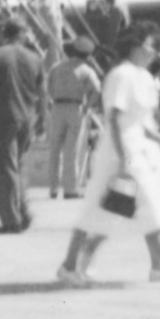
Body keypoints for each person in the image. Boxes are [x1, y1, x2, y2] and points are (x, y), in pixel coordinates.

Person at [57, 21, 160, 288]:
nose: (154, 50)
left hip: (140, 149)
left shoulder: (143, 76)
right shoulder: (121, 75)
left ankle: (69, 265)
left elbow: (141, 121)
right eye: (150, 44)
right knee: (143, 208)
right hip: (122, 151)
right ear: (135, 46)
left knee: (108, 211)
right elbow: (115, 118)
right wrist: (123, 159)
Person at [0, 20, 43, 234]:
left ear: (4, 34)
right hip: (28, 119)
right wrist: (43, 118)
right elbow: (43, 94)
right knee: (19, 166)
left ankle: (11, 221)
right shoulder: (35, 57)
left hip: (5, 119)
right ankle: (23, 212)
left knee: (5, 169)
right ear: (22, 34)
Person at [46, 35, 100, 199]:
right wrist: (87, 105)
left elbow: (48, 86)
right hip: (76, 107)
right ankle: (70, 189)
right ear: (88, 55)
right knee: (71, 150)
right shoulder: (86, 69)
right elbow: (97, 90)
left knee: (54, 149)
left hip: (57, 107)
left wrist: (54, 98)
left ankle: (53, 189)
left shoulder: (56, 67)